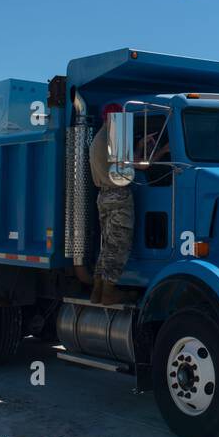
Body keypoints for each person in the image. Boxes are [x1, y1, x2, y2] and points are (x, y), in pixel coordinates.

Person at [89, 106, 134, 306]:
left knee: (107, 246)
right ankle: (109, 294)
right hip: (118, 195)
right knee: (118, 246)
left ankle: (97, 292)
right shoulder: (116, 131)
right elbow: (129, 168)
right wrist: (160, 152)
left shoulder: (97, 138)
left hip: (104, 195)